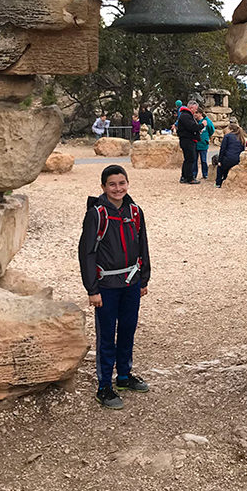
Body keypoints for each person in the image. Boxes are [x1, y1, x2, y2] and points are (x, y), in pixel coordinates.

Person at [78, 165, 152, 409]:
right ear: (103, 187)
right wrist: (92, 289)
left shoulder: (135, 211)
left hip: (131, 282)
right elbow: (87, 253)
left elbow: (143, 245)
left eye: (122, 183)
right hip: (106, 286)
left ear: (127, 183)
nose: (117, 188)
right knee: (107, 335)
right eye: (112, 184)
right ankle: (104, 386)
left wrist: (143, 279)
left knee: (128, 329)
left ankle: (123, 376)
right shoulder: (96, 214)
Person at [175, 101, 201, 184]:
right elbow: (192, 127)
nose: (196, 111)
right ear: (191, 108)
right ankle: (190, 178)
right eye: (195, 109)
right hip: (187, 140)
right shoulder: (186, 115)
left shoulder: (185, 115)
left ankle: (184, 177)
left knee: (187, 159)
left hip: (187, 140)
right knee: (190, 159)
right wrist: (202, 125)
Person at [214, 122, 246, 188]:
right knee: (227, 167)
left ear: (231, 129)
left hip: (228, 158)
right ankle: (226, 180)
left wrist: (220, 160)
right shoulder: (241, 137)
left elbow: (223, 149)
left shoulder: (227, 136)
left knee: (220, 168)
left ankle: (218, 183)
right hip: (237, 159)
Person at [193, 107, 215, 180]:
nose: (195, 114)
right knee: (194, 159)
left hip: (203, 143)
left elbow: (211, 130)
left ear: (200, 113)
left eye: (196, 113)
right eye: (194, 113)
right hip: (195, 143)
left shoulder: (207, 121)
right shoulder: (194, 121)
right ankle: (194, 174)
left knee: (203, 160)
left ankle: (205, 174)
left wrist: (207, 137)